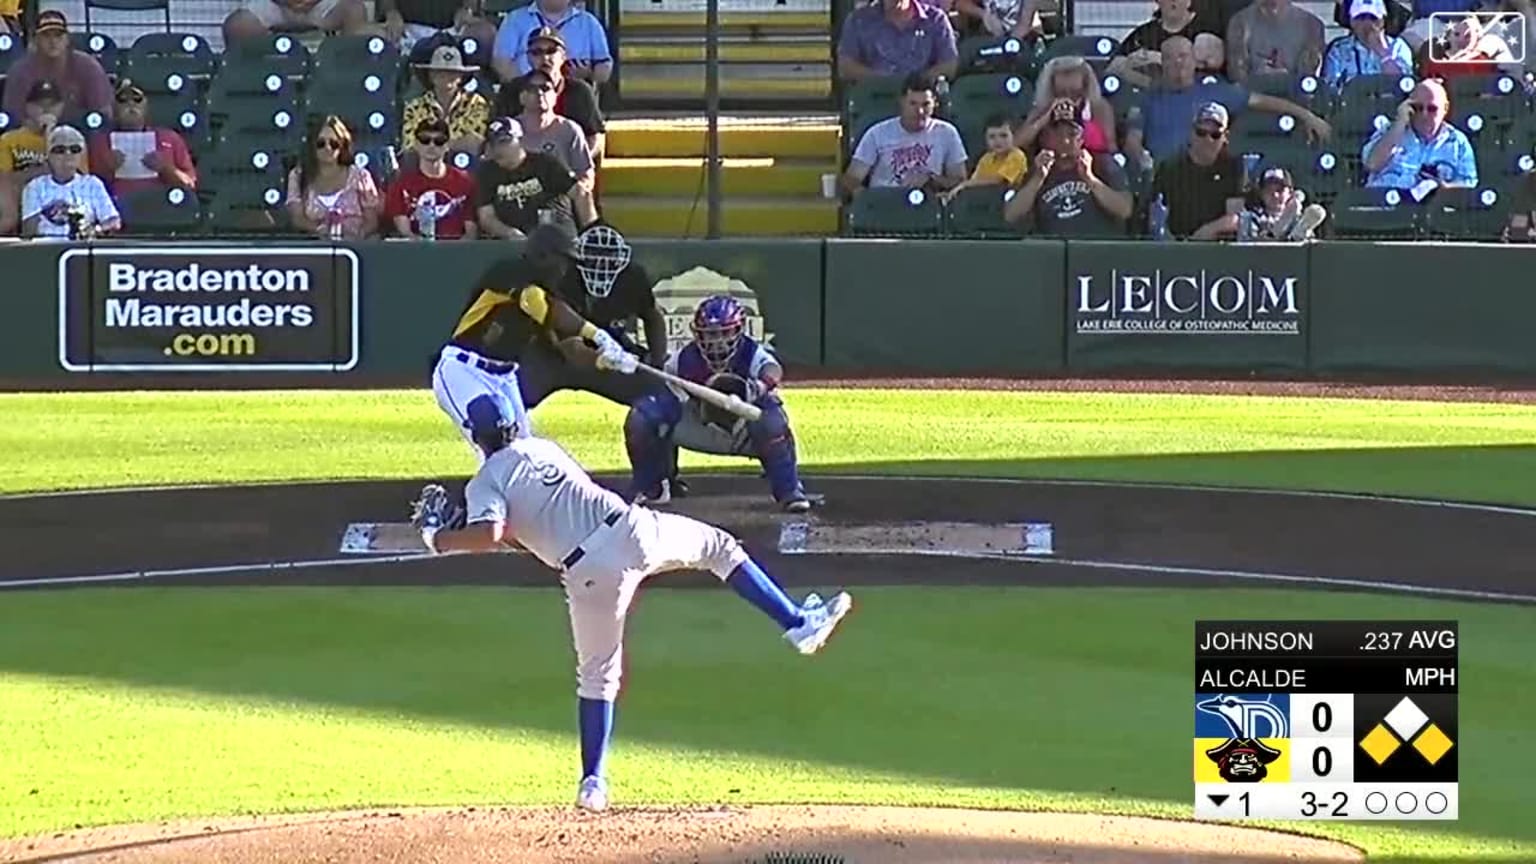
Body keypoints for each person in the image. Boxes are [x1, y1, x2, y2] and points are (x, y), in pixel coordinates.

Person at [406, 431, 854, 812]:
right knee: (719, 549)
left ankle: (593, 785)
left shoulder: (484, 482)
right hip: (633, 530)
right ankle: (796, 622)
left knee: (598, 676)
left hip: (588, 572)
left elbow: (494, 534)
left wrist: (439, 541)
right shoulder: (543, 448)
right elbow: (532, 518)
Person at [430, 220, 638, 459]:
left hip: (505, 378)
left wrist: (605, 361)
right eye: (561, 260)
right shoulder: (510, 272)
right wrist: (599, 335)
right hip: (464, 371)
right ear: (542, 255)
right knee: (493, 441)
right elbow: (543, 306)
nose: (564, 269)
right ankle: (471, 497)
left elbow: (567, 348)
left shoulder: (547, 294)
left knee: (524, 460)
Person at [623, 294, 825, 513]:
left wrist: (758, 386)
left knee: (771, 419)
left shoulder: (751, 352)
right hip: (703, 426)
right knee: (642, 417)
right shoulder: (683, 359)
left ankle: (789, 490)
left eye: (723, 333)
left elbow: (772, 369)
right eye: (709, 335)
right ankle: (653, 486)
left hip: (745, 430)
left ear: (738, 330)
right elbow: (668, 402)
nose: (715, 342)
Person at [1004, 100, 1134, 236]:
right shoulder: (1035, 168)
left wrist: (1090, 179)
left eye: (1072, 134)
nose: (1065, 140)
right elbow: (1011, 215)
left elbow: (1125, 209)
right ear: (1045, 138)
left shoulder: (1103, 163)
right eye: (1057, 134)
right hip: (1053, 250)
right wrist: (1038, 178)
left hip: (1097, 248)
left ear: (1082, 139)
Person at [842, 73, 967, 196]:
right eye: (913, 104)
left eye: (926, 104)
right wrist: (867, 199)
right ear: (902, 102)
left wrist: (933, 180)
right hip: (887, 202)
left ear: (935, 103)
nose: (920, 111)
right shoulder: (877, 133)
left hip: (928, 205)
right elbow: (852, 179)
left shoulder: (947, 133)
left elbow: (960, 182)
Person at [474, 116, 596, 239]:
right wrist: (509, 233)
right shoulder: (487, 173)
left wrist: (590, 232)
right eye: (493, 144)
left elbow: (581, 194)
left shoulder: (545, 164)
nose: (498, 149)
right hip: (512, 244)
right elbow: (486, 217)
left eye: (505, 142)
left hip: (557, 240)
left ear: (521, 140)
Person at [87, 79, 197, 199]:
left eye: (137, 99)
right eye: (122, 100)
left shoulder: (170, 138)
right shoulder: (100, 142)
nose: (131, 104)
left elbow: (189, 185)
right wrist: (107, 169)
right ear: (114, 108)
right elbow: (87, 190)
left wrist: (165, 168)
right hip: (117, 206)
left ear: (146, 105)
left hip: (161, 206)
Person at [1361, 78, 1478, 189]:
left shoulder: (1457, 141)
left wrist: (1445, 189)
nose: (1424, 115)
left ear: (1445, 108)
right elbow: (1371, 164)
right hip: (1386, 206)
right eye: (1418, 108)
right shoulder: (1390, 131)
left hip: (1436, 207)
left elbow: (1469, 184)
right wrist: (1400, 124)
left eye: (1432, 109)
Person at [0, 11, 113, 124]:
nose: (53, 41)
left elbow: (103, 114)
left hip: (80, 135)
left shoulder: (89, 68)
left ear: (67, 39)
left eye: (58, 35)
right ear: (35, 40)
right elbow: (12, 117)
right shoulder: (20, 71)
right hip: (31, 135)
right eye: (46, 35)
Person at [286, 115, 382, 240]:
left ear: (342, 146)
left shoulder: (360, 176)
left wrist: (356, 237)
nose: (328, 148)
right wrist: (318, 229)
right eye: (321, 143)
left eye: (334, 144)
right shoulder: (298, 176)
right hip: (316, 248)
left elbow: (371, 221)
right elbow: (297, 218)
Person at [384, 115, 478, 239]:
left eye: (439, 141)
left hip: (456, 251)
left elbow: (470, 232)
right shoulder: (402, 184)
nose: (431, 146)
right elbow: (405, 232)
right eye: (425, 140)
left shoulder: (465, 182)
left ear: (447, 145)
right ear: (416, 144)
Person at [20, 125, 120, 239]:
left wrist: (94, 230)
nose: (68, 154)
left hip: (82, 249)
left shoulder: (92, 184)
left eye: (74, 149)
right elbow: (27, 233)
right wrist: (48, 211)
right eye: (60, 150)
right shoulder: (35, 187)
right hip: (45, 250)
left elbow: (114, 221)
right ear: (48, 156)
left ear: (81, 155)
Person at [399, 43, 490, 157]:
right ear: (431, 75)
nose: (446, 76)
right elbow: (410, 147)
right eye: (440, 71)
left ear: (461, 77)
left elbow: (475, 145)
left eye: (452, 72)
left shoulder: (476, 103)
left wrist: (430, 144)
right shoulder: (415, 106)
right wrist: (456, 143)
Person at [1236, 166, 1328, 241]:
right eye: (1269, 190)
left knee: (1315, 212)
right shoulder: (1250, 219)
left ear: (1290, 193)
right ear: (1261, 194)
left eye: (1280, 190)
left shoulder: (1301, 221)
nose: (1275, 195)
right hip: (1261, 258)